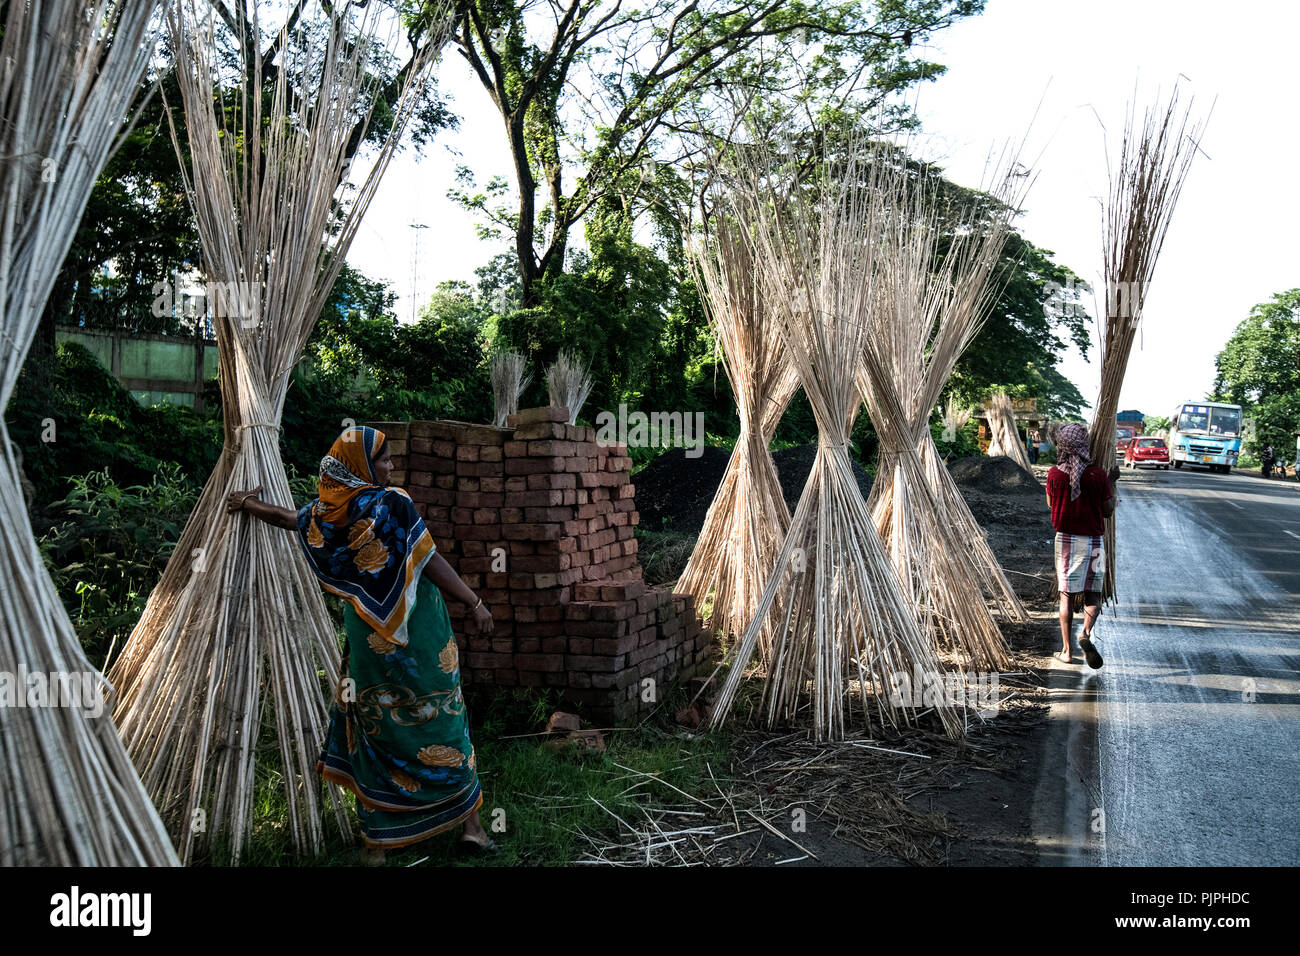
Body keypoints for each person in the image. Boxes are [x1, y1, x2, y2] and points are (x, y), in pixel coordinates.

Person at [227, 425, 496, 864]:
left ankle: (377, 846)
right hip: (419, 634)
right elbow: (430, 561)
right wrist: (474, 601)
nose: (391, 466)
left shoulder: (325, 513)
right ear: (361, 466)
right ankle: (473, 829)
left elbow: (287, 519)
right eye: (384, 460)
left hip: (367, 639)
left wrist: (246, 503)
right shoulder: (394, 504)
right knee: (442, 718)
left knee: (376, 726)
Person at [1045, 423, 1118, 669]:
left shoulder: (1054, 474)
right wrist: (1112, 482)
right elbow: (1108, 511)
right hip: (1094, 542)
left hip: (1066, 541)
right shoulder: (1098, 475)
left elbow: (1050, 504)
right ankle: (1085, 633)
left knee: (1066, 595)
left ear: (1062, 446)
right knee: (1093, 593)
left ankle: (1067, 652)